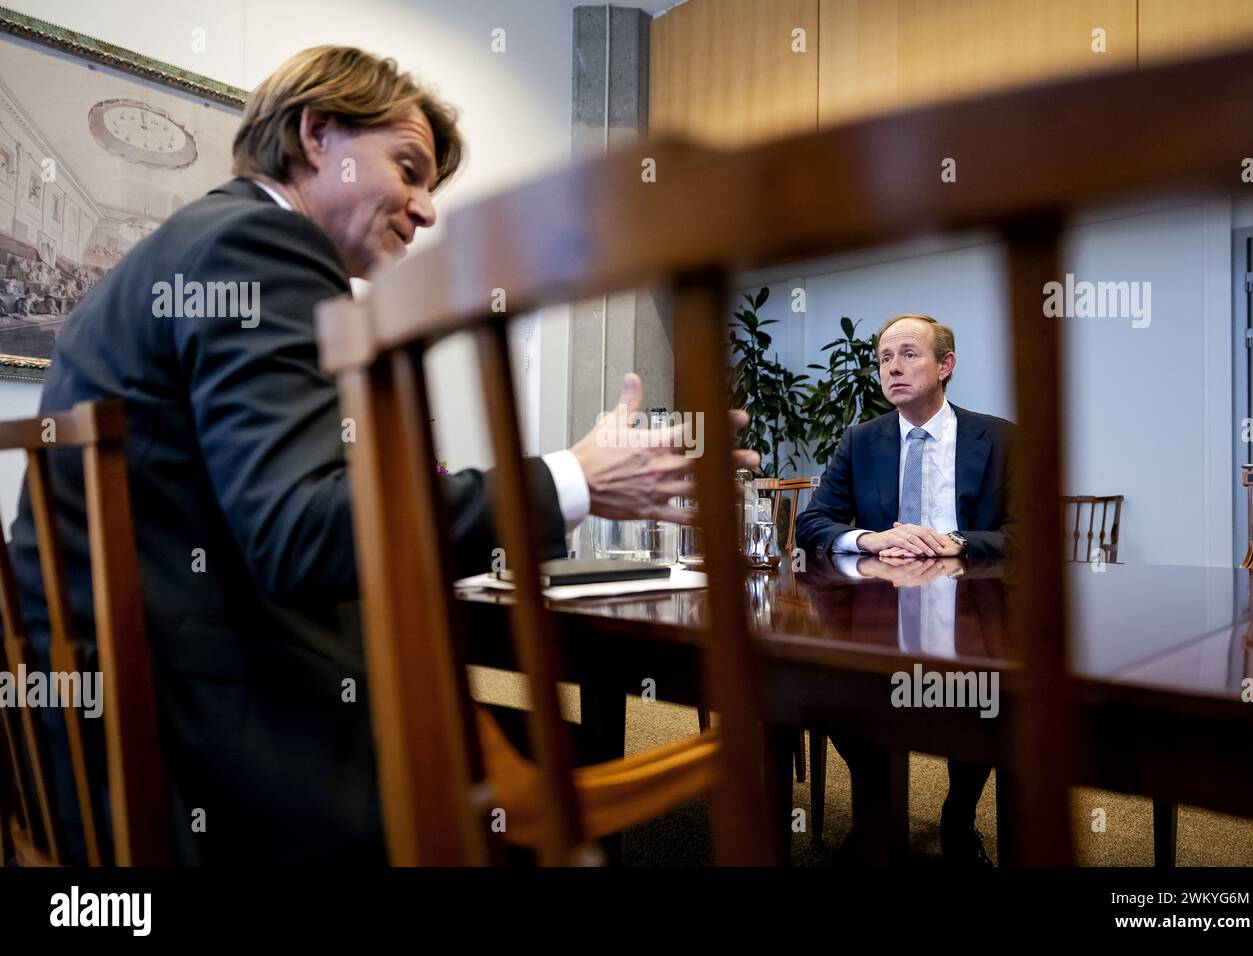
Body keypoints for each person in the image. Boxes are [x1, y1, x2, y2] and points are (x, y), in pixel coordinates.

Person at [8, 45, 754, 864]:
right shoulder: (261, 246)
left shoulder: (191, 247)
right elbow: (300, 536)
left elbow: (275, 513)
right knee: (552, 769)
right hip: (206, 753)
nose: (427, 210)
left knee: (504, 729)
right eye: (409, 169)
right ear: (317, 133)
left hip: (101, 745)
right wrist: (573, 479)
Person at [795, 313, 1014, 864]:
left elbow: (1028, 530)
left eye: (909, 354)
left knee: (988, 699)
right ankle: (876, 811)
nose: (893, 366)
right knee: (837, 690)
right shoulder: (860, 440)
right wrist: (867, 539)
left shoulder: (1000, 438)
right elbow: (813, 521)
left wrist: (958, 542)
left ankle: (959, 815)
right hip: (876, 610)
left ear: (946, 365)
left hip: (973, 606)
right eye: (885, 357)